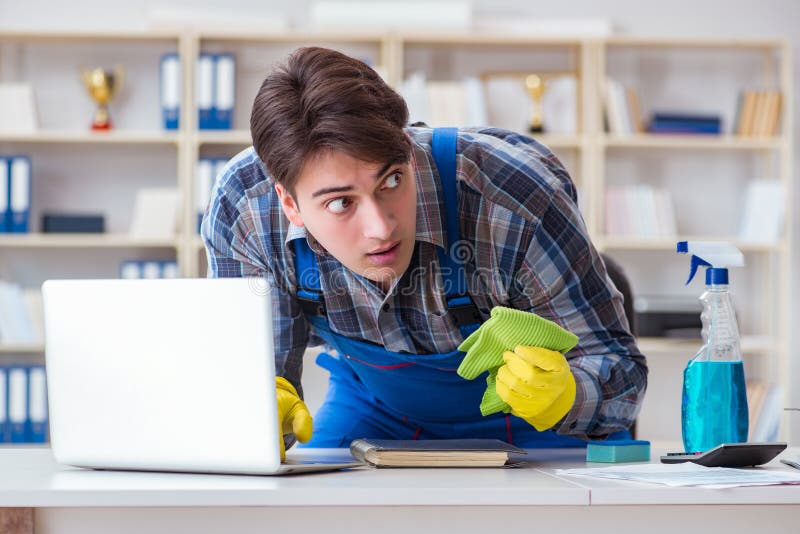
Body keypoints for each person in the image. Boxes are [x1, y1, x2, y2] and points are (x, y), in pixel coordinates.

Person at [202, 47, 647, 459]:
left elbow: (622, 377)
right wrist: (255, 411)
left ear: (408, 151)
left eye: (391, 181)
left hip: (532, 417)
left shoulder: (511, 195)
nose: (380, 229)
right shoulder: (246, 210)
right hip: (374, 411)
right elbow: (255, 390)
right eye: (341, 203)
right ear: (290, 204)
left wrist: (567, 395)